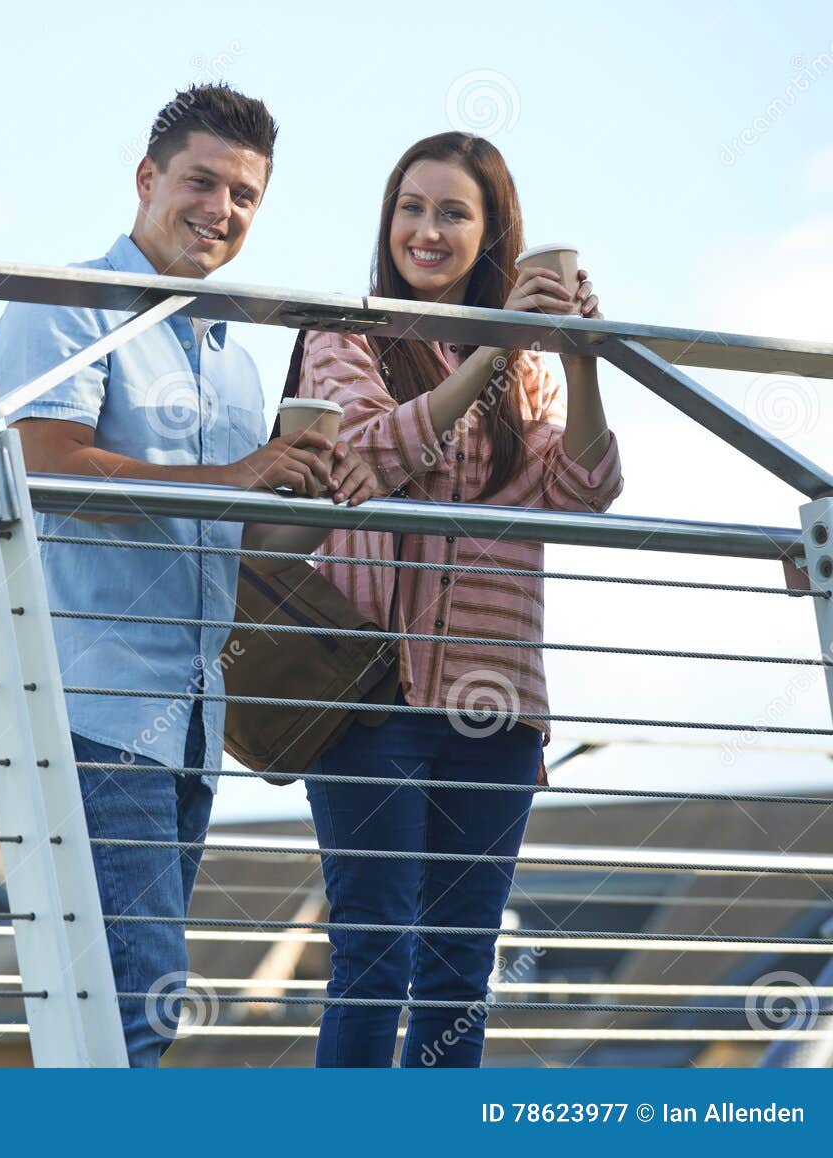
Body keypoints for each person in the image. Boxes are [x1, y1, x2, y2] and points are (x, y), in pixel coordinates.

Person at [0, 83, 381, 1066]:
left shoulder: (235, 363)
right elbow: (45, 466)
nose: (221, 210)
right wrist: (234, 474)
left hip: (195, 723)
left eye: (245, 196)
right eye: (202, 182)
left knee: (129, 1000)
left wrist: (316, 498)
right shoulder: (66, 300)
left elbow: (242, 545)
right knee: (137, 994)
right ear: (146, 179)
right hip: (94, 706)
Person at [290, 131, 624, 1067]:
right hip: (371, 695)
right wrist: (495, 348)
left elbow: (586, 489)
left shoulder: (534, 369)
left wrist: (582, 353)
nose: (426, 230)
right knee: (374, 950)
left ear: (493, 236)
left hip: (497, 701)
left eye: (452, 213)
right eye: (411, 206)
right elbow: (371, 455)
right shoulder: (346, 332)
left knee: (459, 968)